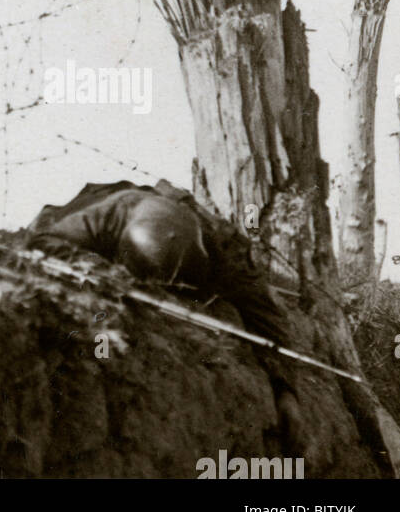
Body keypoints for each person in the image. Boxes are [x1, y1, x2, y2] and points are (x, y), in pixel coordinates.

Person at [28, 179, 306, 453]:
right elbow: (41, 240)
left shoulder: (227, 253)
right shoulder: (107, 213)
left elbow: (267, 318)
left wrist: (286, 391)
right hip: (113, 207)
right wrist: (95, 268)